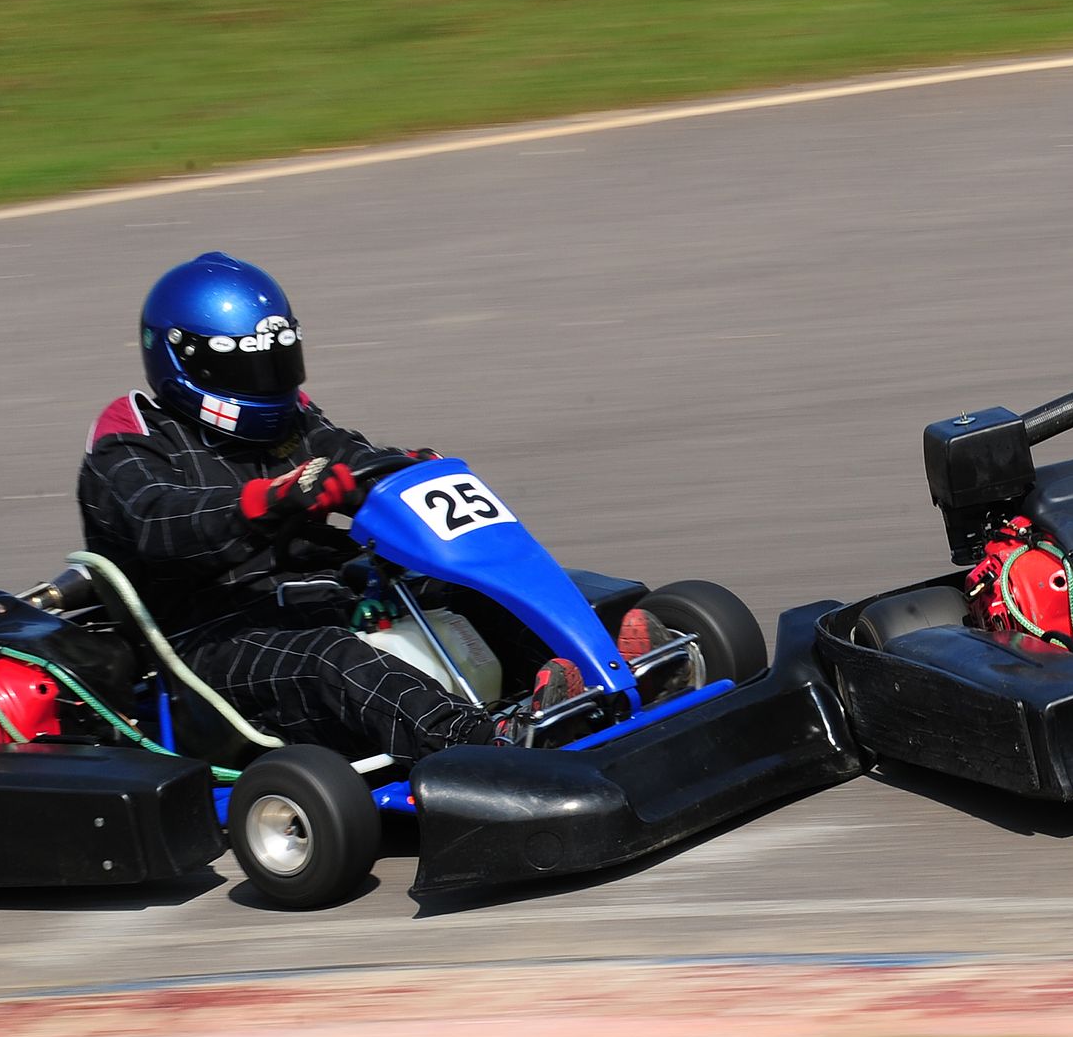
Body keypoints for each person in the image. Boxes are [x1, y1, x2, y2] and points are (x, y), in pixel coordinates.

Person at [77, 251, 657, 757]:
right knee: (334, 657)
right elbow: (163, 520)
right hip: (210, 643)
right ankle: (485, 740)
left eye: (274, 357)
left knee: (459, 584)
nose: (264, 377)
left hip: (326, 596)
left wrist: (403, 468)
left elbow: (350, 459)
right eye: (243, 361)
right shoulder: (128, 444)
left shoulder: (288, 420)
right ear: (186, 358)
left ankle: (596, 680)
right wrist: (270, 499)